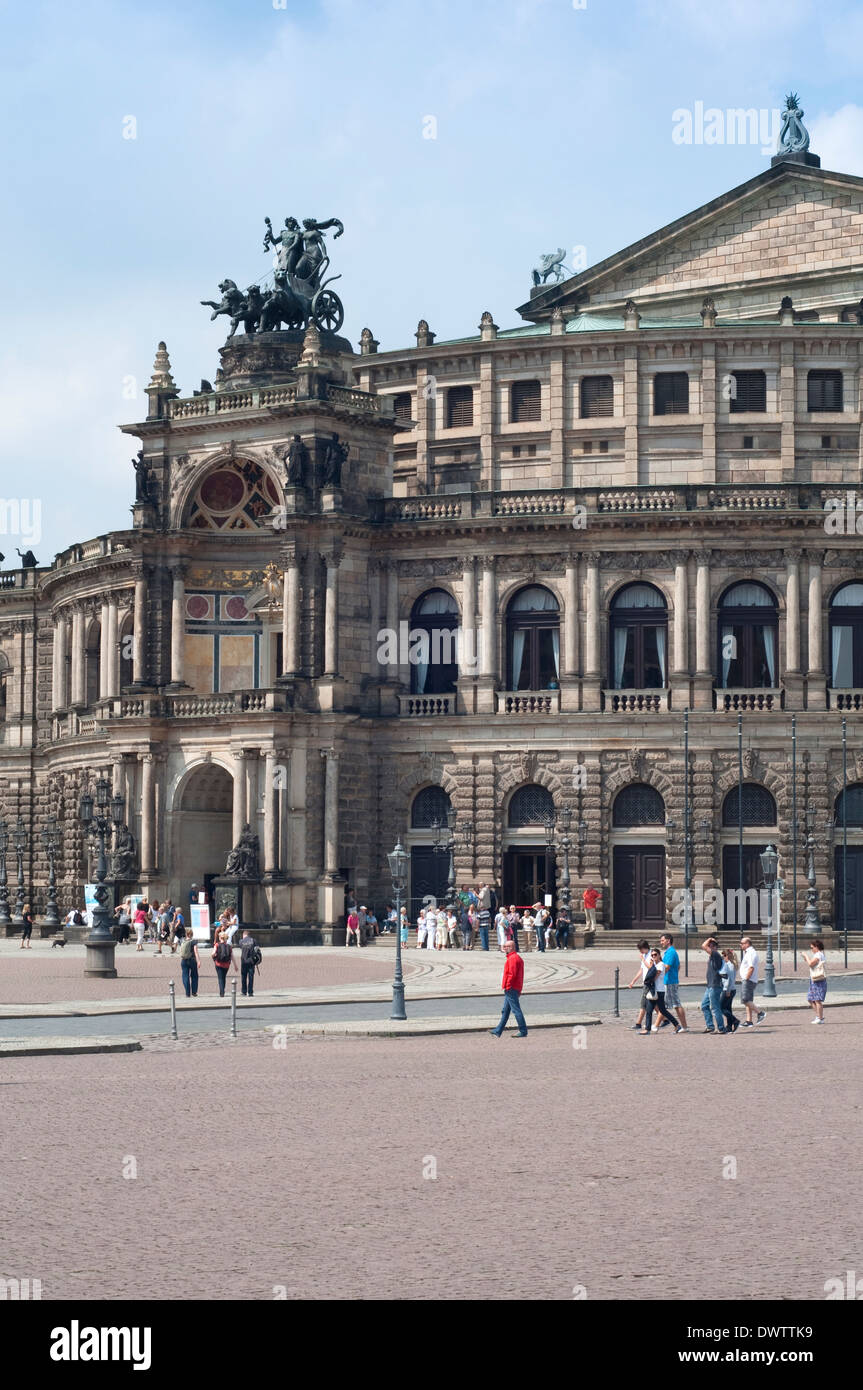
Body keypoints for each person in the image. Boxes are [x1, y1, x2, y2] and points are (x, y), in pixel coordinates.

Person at [489, 939, 528, 1038]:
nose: (504, 948)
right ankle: (498, 1030)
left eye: (506, 946)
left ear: (512, 947)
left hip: (511, 988)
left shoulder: (513, 958)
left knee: (516, 1010)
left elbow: (511, 974)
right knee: (505, 1010)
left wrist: (507, 986)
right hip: (514, 987)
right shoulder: (515, 957)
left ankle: (523, 1030)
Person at [643, 948, 683, 1033]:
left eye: (655, 955)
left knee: (662, 1010)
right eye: (652, 955)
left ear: (659, 955)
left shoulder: (661, 964)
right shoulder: (655, 965)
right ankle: (647, 1029)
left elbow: (655, 977)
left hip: (659, 991)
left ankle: (677, 1025)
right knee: (650, 1010)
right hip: (654, 990)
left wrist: (651, 969)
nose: (653, 956)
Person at [658, 932, 688, 1031]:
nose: (661, 942)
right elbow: (678, 966)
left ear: (668, 941)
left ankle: (655, 1026)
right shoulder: (669, 952)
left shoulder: (671, 952)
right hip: (670, 980)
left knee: (673, 1004)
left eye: (662, 940)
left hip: (669, 981)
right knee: (669, 1005)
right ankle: (683, 1026)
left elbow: (666, 967)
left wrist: (657, 976)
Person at [700, 936, 728, 1034]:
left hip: (715, 985)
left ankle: (721, 1028)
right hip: (710, 985)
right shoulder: (712, 956)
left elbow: (703, 946)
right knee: (704, 1006)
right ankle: (710, 1026)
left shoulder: (716, 954)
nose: (709, 947)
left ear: (715, 947)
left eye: (711, 946)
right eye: (709, 946)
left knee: (715, 1007)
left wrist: (710, 938)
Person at [739, 936, 766, 1027]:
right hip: (750, 979)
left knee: (745, 1000)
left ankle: (760, 1013)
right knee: (748, 1000)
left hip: (749, 980)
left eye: (742, 943)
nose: (740, 945)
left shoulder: (750, 953)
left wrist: (746, 978)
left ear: (747, 944)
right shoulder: (749, 952)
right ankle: (749, 1021)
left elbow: (751, 967)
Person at [627, 939, 652, 1031]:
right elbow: (641, 970)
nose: (640, 951)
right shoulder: (645, 955)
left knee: (643, 1004)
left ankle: (638, 1024)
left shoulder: (651, 955)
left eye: (641, 949)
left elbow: (650, 967)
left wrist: (643, 959)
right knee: (655, 1005)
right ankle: (665, 1019)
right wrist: (633, 981)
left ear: (645, 947)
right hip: (646, 982)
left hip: (649, 983)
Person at [803, 938, 827, 1023]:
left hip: (818, 979)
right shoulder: (818, 954)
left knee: (817, 1000)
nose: (811, 949)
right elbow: (811, 963)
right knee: (810, 998)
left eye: (812, 947)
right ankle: (819, 1016)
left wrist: (806, 956)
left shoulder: (818, 955)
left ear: (816, 947)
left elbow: (811, 964)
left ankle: (820, 1018)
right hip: (814, 979)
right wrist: (807, 959)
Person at [719, 948, 740, 1033]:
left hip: (728, 990)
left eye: (723, 956)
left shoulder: (729, 965)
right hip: (732, 989)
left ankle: (735, 1020)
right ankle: (729, 1026)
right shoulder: (732, 964)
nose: (722, 957)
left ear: (727, 956)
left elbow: (728, 979)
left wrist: (727, 990)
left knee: (721, 1007)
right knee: (728, 1008)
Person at [212, 929, 237, 997]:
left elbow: (213, 953)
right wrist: (235, 965)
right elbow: (232, 956)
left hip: (218, 964)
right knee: (224, 977)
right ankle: (223, 990)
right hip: (226, 965)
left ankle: (222, 992)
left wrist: (213, 956)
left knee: (220, 978)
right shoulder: (229, 946)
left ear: (220, 938)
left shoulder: (217, 945)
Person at [239, 930, 262, 997]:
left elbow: (241, 947)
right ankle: (250, 992)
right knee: (251, 977)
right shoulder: (254, 941)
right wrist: (258, 960)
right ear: (249, 935)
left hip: (244, 961)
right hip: (251, 961)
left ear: (244, 935)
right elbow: (257, 950)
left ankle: (244, 991)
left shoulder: (241, 941)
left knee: (243, 977)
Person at [178, 930, 200, 998]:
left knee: (185, 976)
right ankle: (194, 992)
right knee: (194, 976)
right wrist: (198, 961)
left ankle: (187, 993)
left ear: (186, 934)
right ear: (192, 934)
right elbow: (196, 952)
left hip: (184, 960)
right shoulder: (194, 942)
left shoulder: (182, 941)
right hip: (192, 960)